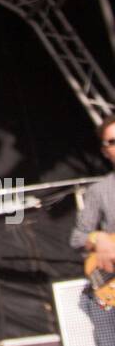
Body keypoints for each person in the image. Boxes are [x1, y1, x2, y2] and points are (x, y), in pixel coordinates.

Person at [71, 114, 115, 275]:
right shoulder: (98, 190)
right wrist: (99, 238)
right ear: (105, 152)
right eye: (112, 142)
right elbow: (78, 238)